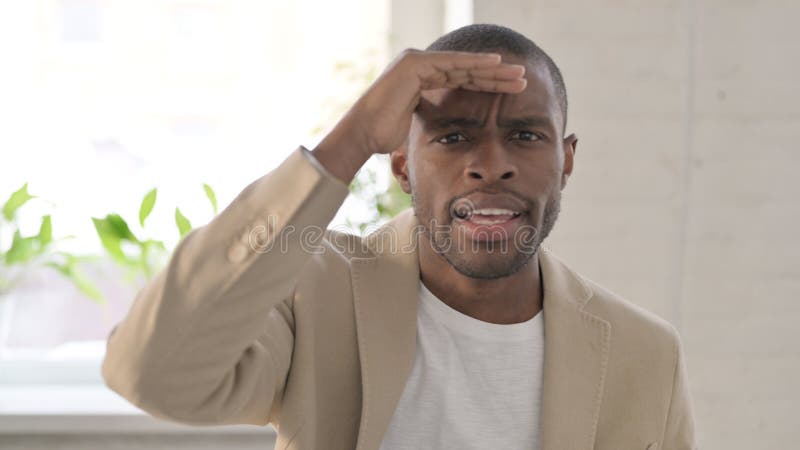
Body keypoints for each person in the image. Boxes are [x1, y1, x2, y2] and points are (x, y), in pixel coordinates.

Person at [102, 23, 697, 450]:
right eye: (453, 137)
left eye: (524, 136)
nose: (491, 165)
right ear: (402, 167)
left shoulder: (644, 353)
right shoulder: (315, 294)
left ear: (566, 161)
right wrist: (351, 138)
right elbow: (153, 374)